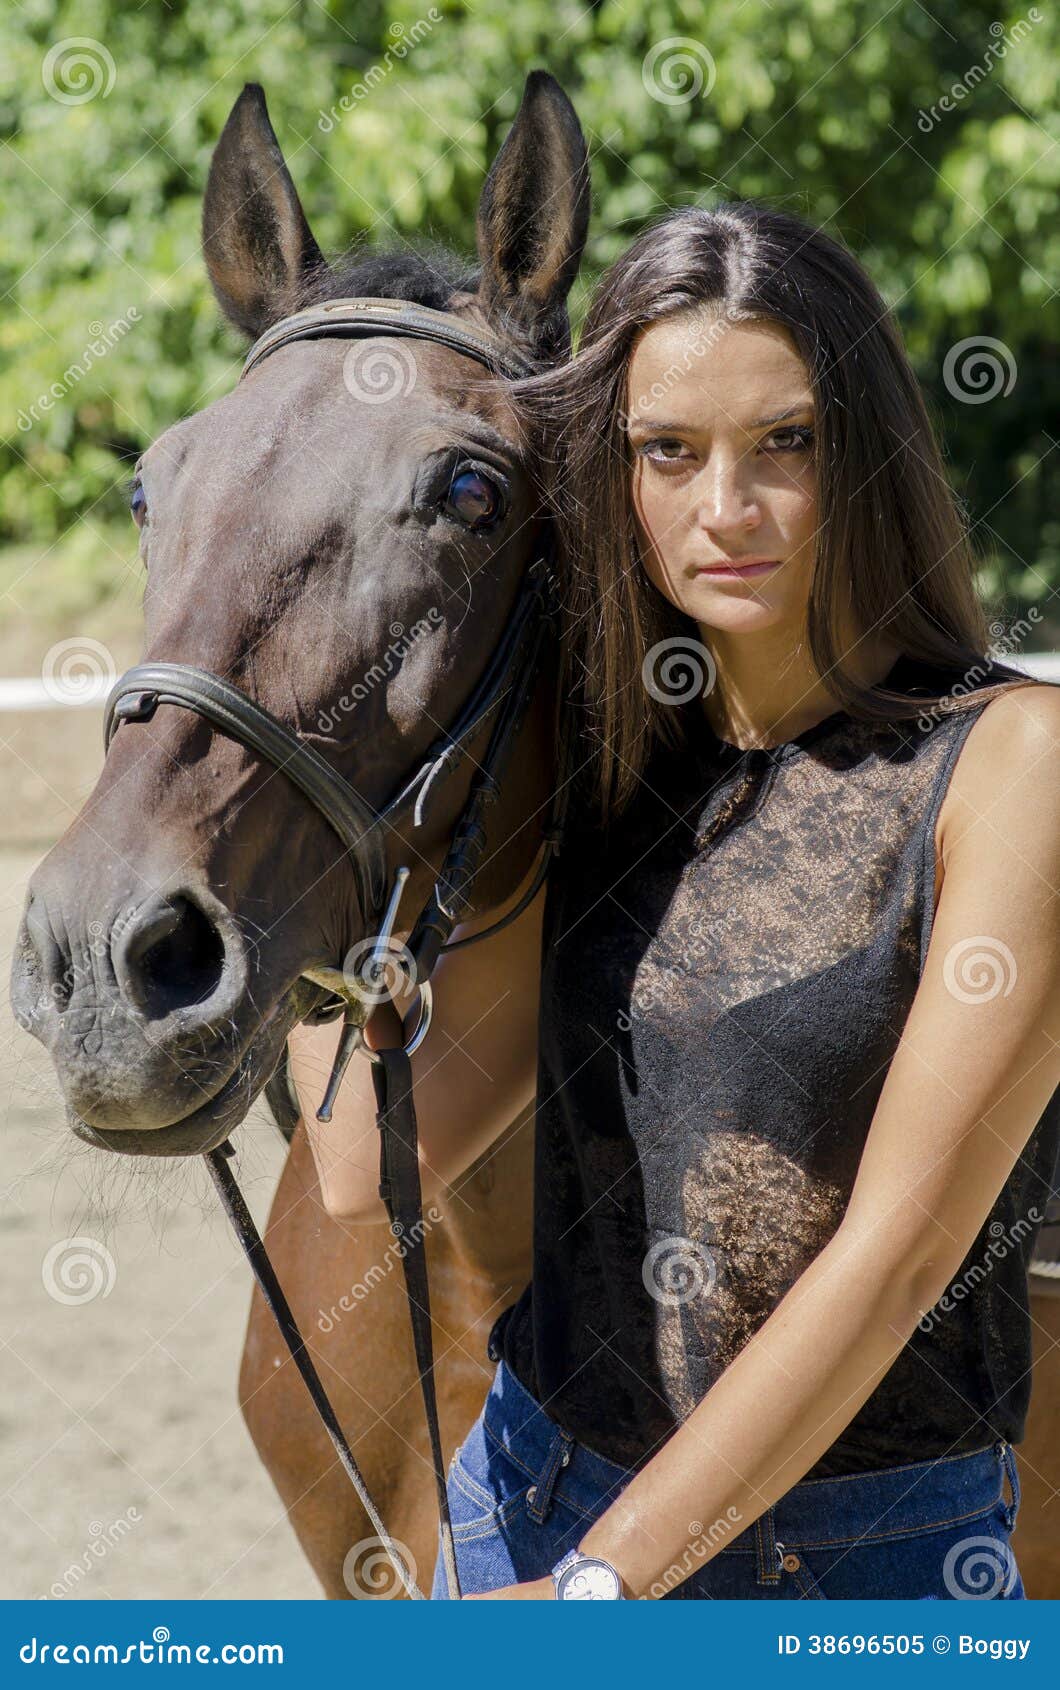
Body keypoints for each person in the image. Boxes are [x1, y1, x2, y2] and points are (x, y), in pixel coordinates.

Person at [294, 203, 1060, 1599]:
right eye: (668, 451)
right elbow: (366, 1166)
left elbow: (901, 1255)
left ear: (872, 453)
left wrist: (603, 1588)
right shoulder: (600, 756)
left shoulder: (1012, 764)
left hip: (855, 1561)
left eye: (788, 442)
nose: (726, 508)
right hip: (525, 1494)